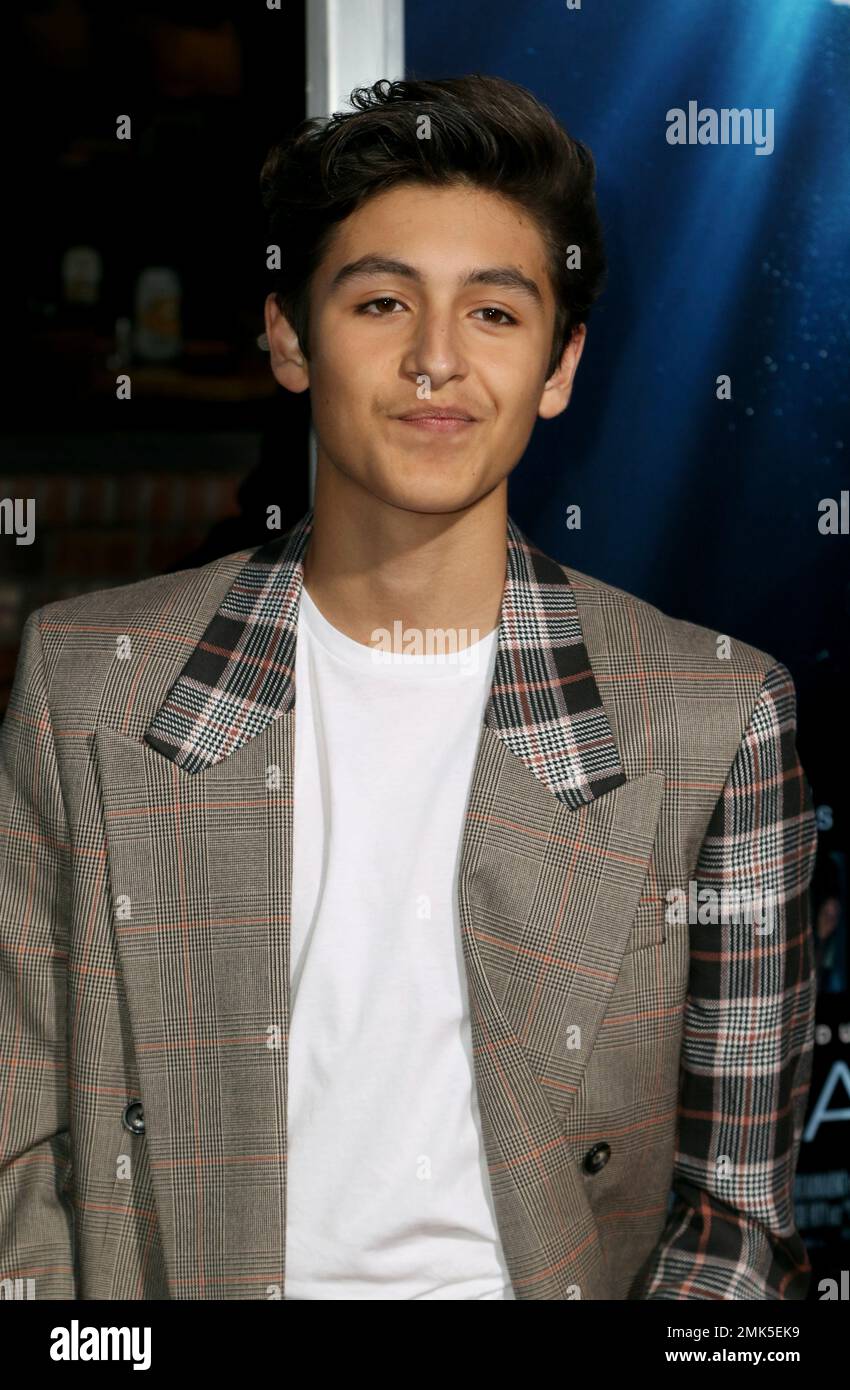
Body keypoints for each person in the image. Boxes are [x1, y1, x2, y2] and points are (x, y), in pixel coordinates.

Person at [0, 75, 818, 1300]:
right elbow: (25, 1153)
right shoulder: (90, 687)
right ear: (286, 335)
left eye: (494, 313)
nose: (436, 360)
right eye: (382, 301)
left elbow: (731, 1219)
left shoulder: (713, 718)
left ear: (559, 364)